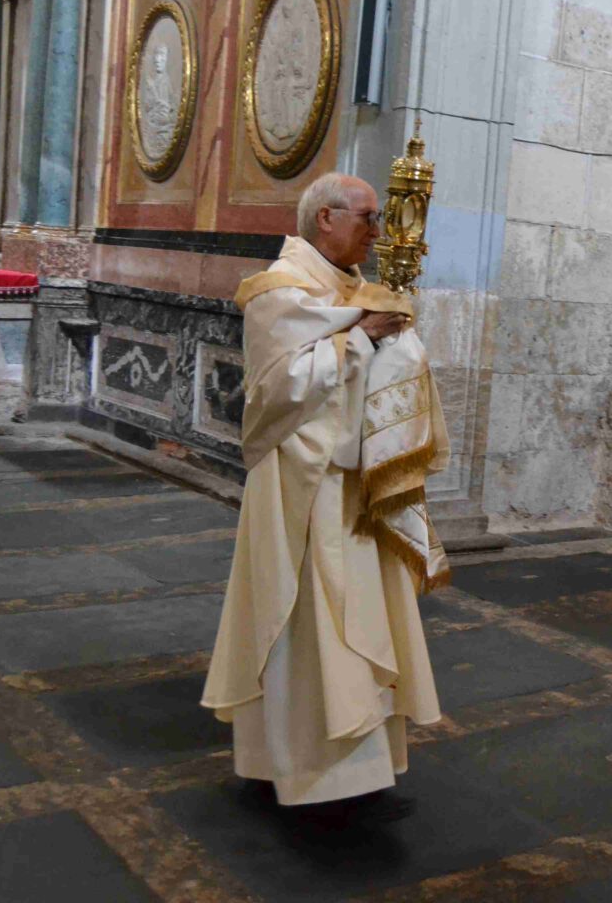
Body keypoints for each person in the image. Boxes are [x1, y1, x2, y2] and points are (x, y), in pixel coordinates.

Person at [200, 172, 443, 819]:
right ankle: (299, 767)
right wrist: (363, 337)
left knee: (359, 621)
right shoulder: (279, 293)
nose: (377, 229)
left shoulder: (350, 291)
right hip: (301, 489)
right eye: (367, 216)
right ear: (326, 218)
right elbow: (280, 392)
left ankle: (355, 769)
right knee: (303, 623)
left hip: (353, 487)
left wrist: (386, 339)